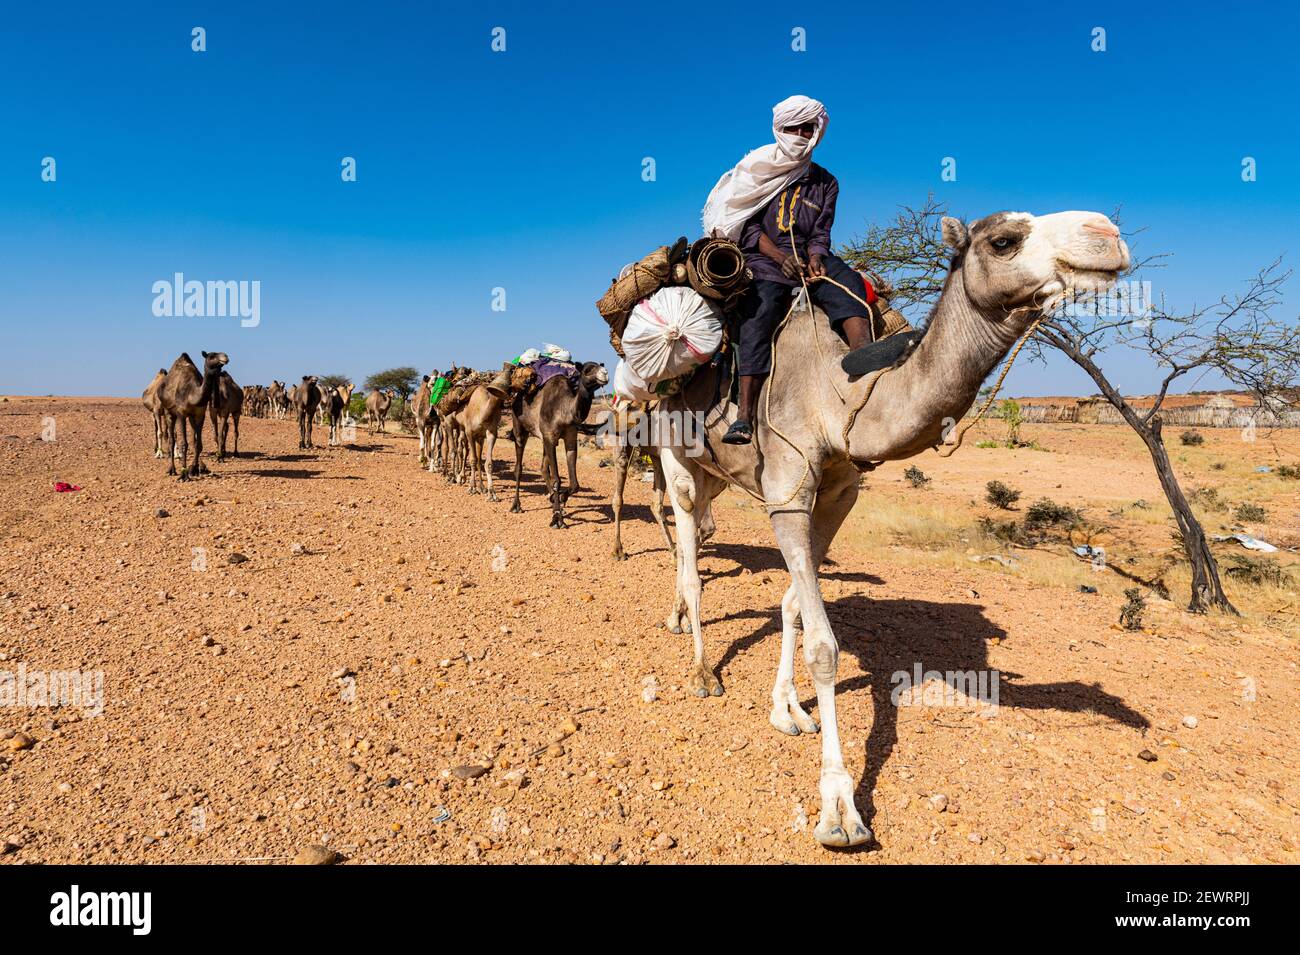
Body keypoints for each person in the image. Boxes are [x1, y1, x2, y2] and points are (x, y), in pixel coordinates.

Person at [701, 95, 880, 445]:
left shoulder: (826, 182)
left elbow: (821, 231)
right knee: (760, 309)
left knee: (848, 285)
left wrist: (815, 256)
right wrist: (778, 256)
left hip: (808, 261)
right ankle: (745, 415)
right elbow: (744, 225)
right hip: (762, 258)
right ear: (779, 129)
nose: (800, 134)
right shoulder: (757, 170)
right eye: (793, 128)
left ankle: (866, 364)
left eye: (807, 128)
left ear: (817, 131)